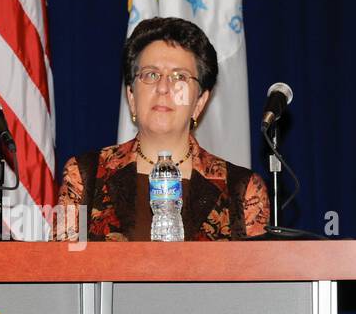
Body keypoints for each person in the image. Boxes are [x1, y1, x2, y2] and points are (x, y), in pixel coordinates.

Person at [55, 17, 269, 241]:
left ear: (199, 102)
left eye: (179, 77)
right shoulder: (85, 175)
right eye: (151, 74)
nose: (163, 88)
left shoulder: (243, 190)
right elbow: (59, 268)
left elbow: (258, 273)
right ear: (131, 96)